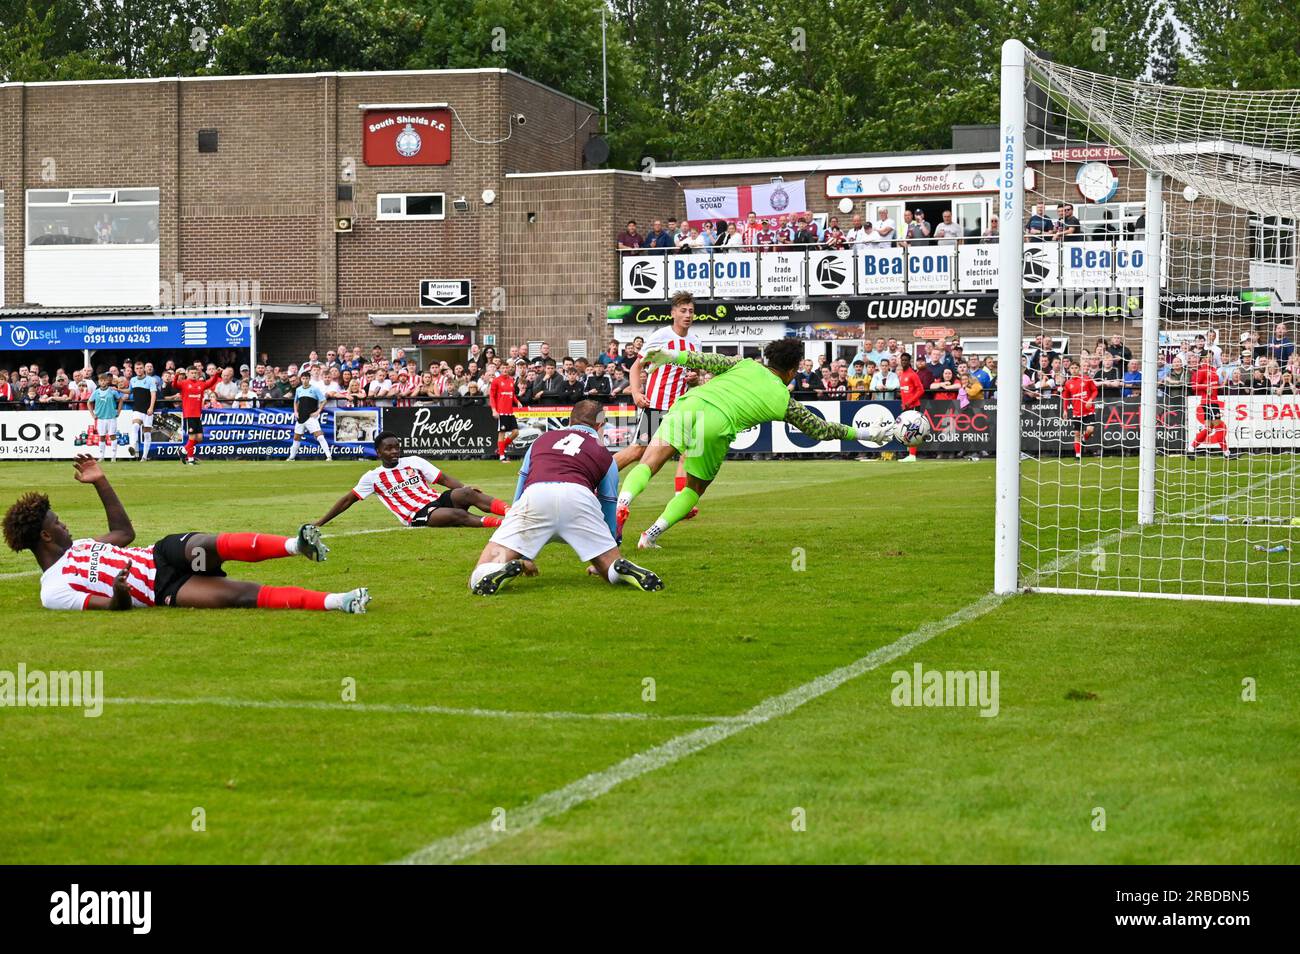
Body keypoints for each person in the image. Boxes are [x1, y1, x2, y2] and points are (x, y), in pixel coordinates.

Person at [4, 455, 368, 612]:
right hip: (163, 590)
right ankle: (340, 601)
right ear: (45, 537)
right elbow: (107, 607)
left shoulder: (82, 545)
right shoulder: (53, 590)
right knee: (241, 596)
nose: (64, 524)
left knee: (209, 545)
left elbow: (123, 532)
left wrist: (101, 481)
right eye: (57, 522)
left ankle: (296, 545)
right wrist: (118, 592)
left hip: (160, 555)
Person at [617, 339, 877, 549]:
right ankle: (649, 535)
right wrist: (864, 435)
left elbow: (707, 360)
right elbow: (820, 428)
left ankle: (622, 503)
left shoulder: (745, 364)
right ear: (791, 371)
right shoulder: (782, 399)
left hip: (690, 405)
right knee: (694, 488)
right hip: (716, 426)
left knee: (648, 463)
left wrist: (671, 356)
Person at [468, 400, 663, 595]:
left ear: (570, 420)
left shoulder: (541, 440)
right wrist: (610, 546)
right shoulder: (604, 454)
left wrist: (521, 548)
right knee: (610, 568)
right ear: (600, 424)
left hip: (536, 496)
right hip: (579, 499)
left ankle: (499, 569)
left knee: (480, 573)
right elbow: (608, 504)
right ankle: (618, 569)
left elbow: (521, 489)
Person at [614, 291, 702, 535]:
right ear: (673, 313)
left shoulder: (695, 343)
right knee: (639, 451)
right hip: (656, 405)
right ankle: (597, 477)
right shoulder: (661, 337)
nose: (687, 315)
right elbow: (636, 367)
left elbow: (695, 377)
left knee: (688, 452)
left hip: (681, 407)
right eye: (683, 311)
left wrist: (695, 378)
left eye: (691, 311)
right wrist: (636, 393)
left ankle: (679, 501)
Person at [312, 432, 507, 530]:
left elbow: (444, 479)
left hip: (436, 500)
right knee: (457, 514)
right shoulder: (372, 477)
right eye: (389, 448)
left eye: (397, 447)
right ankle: (499, 524)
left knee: (468, 492)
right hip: (417, 514)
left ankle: (511, 512)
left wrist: (465, 489)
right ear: (378, 452)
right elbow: (347, 500)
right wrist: (320, 522)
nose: (395, 451)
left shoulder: (413, 461)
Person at [175, 366, 222, 465]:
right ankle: (190, 458)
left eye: (195, 373)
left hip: (197, 414)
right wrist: (176, 375)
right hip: (189, 414)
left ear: (198, 374)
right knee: (192, 438)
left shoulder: (201, 384)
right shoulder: (184, 383)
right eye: (191, 373)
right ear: (187, 374)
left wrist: (217, 374)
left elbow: (211, 383)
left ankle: (183, 450)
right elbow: (174, 385)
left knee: (199, 438)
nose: (194, 374)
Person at [1188, 355, 1229, 458]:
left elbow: (1216, 385)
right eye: (1206, 357)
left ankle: (1191, 448)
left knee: (1209, 428)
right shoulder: (1201, 371)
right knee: (1219, 426)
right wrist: (1206, 387)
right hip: (1208, 401)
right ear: (1202, 360)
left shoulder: (1214, 370)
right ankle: (1226, 453)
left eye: (1211, 357)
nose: (1209, 359)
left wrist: (1224, 379)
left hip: (1213, 401)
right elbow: (1193, 386)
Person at [286, 371, 332, 462]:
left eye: (307, 378)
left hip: (311, 417)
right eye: (303, 378)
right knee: (296, 437)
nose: (305, 380)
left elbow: (323, 400)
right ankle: (291, 457)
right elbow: (296, 402)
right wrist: (295, 412)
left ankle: (329, 456)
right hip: (301, 417)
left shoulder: (315, 389)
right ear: (301, 379)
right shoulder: (298, 389)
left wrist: (318, 411)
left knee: (319, 436)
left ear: (309, 379)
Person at [1061, 361, 1099, 459]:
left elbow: (1095, 391)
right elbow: (1066, 398)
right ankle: (1078, 455)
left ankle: (1084, 438)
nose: (1074, 370)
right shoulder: (1068, 383)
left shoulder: (1087, 379)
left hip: (1088, 410)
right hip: (1076, 412)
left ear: (1079, 369)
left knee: (1090, 430)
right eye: (1072, 368)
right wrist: (1065, 410)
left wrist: (1090, 400)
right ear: (1069, 370)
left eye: (1076, 368)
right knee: (1076, 433)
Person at [87, 373, 125, 462]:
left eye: (104, 380)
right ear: (99, 382)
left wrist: (118, 411)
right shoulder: (96, 392)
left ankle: (113, 456)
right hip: (100, 418)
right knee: (101, 437)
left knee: (112, 436)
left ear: (107, 381)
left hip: (111, 417)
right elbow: (89, 402)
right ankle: (101, 456)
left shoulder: (112, 391)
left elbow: (120, 400)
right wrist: (92, 414)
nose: (103, 382)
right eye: (101, 381)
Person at [895, 352, 924, 462]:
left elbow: (920, 390)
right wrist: (904, 403)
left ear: (909, 361)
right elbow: (905, 392)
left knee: (912, 431)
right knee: (906, 430)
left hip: (914, 406)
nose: (904, 362)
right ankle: (910, 454)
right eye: (902, 360)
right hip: (906, 406)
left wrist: (909, 402)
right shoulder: (902, 374)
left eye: (906, 360)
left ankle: (912, 455)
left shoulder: (913, 374)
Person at [126, 365, 158, 461]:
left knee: (147, 434)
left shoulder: (150, 380)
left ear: (143, 369)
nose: (139, 370)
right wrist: (118, 389)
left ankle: (144, 456)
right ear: (134, 370)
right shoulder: (133, 380)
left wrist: (151, 407)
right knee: (135, 426)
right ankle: (132, 446)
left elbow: (153, 394)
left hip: (147, 409)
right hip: (137, 409)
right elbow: (129, 391)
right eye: (137, 368)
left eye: (140, 368)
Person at [489, 366, 521, 462]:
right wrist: (494, 410)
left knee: (516, 432)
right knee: (502, 433)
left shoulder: (511, 380)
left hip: (510, 411)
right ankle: (502, 457)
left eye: (507, 368)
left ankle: (500, 449)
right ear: (500, 370)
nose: (505, 370)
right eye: (503, 368)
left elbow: (512, 394)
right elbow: (491, 396)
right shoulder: (496, 381)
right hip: (501, 411)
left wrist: (517, 401)